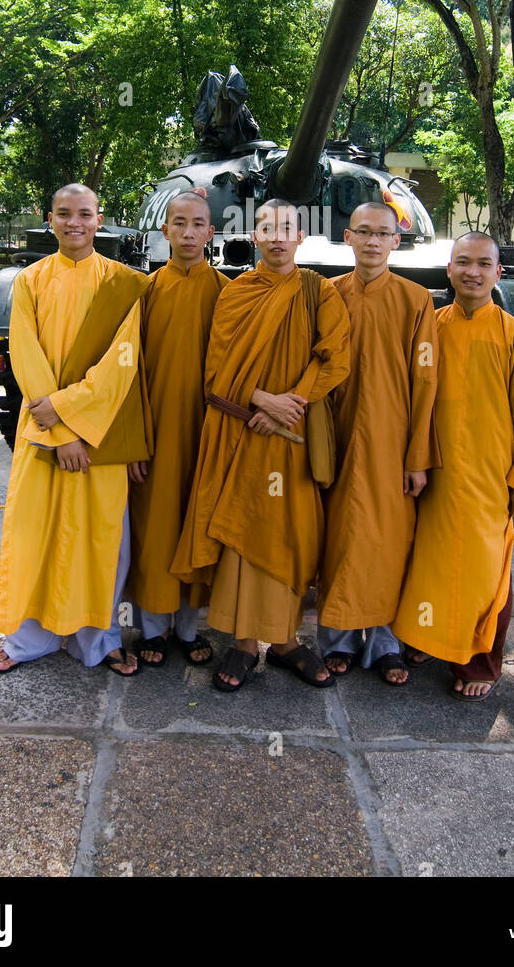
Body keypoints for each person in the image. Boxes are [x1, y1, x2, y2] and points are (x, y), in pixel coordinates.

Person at [171, 198, 351, 692]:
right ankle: (247, 643)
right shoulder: (236, 294)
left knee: (292, 534)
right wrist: (262, 401)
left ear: (300, 236)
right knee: (244, 528)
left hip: (293, 436)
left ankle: (288, 640)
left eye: (286, 228)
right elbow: (216, 371)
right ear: (254, 237)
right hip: (243, 432)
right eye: (267, 228)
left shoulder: (318, 292)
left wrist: (290, 402)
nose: (277, 238)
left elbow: (336, 358)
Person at [0, 184, 151, 678]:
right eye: (64, 214)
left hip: (98, 435)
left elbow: (120, 365)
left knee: (100, 540)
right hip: (42, 433)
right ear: (50, 218)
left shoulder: (126, 284)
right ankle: (26, 640)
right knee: (33, 532)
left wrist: (72, 420)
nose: (74, 223)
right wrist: (62, 433)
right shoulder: (30, 280)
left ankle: (97, 641)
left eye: (84, 214)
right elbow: (26, 356)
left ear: (99, 220)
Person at [394, 231, 514, 699]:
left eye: (483, 264)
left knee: (485, 572)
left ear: (499, 272)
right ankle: (426, 637)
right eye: (463, 262)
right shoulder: (430, 328)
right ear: (449, 269)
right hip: (431, 470)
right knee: (426, 563)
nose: (472, 272)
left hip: (487, 476)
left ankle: (479, 661)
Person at [317, 201, 439, 685]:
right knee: (339, 539)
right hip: (338, 437)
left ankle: (386, 643)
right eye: (363, 232)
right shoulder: (328, 295)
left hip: (392, 442)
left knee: (390, 543)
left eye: (382, 234)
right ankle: (338, 640)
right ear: (347, 238)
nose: (372, 241)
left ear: (396, 241)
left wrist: (418, 457)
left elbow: (426, 382)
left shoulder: (416, 301)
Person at [125, 191, 227, 667]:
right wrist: (134, 443)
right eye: (179, 223)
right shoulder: (143, 292)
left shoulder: (229, 292)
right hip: (156, 434)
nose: (188, 233)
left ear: (211, 232)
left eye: (198, 224)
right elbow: (126, 375)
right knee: (156, 527)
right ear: (163, 230)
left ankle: (188, 629)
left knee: (197, 526)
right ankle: (151, 628)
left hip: (209, 436)